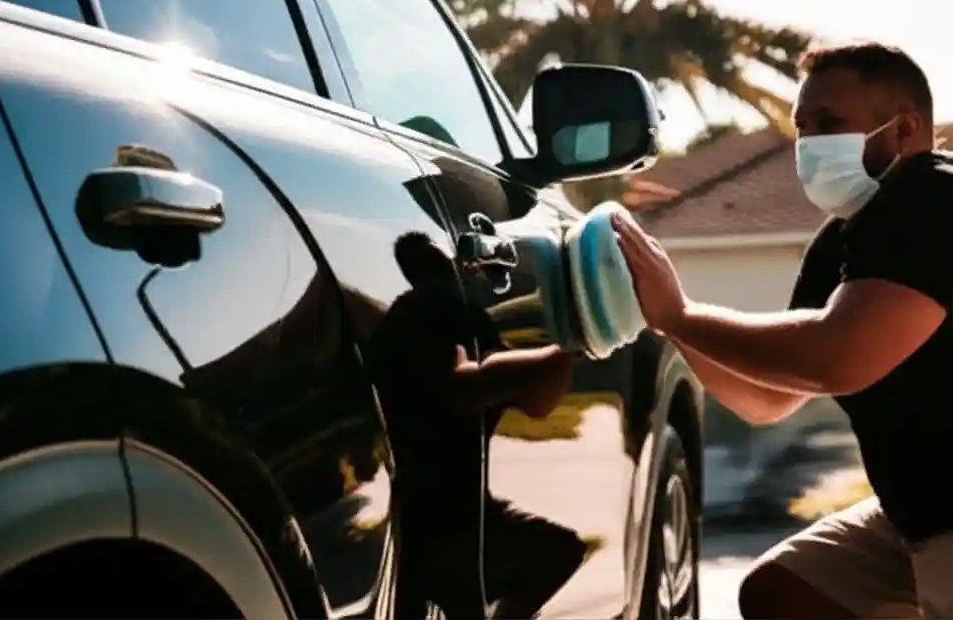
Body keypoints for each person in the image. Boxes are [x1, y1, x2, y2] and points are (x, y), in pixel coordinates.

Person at [612, 42, 953, 619]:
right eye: (802, 128)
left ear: (903, 130)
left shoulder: (931, 196)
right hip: (916, 514)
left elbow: (838, 358)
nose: (810, 145)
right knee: (788, 591)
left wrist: (682, 315)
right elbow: (769, 395)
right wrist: (666, 319)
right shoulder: (843, 237)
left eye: (831, 124)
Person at [364, 231, 589, 619]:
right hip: (447, 526)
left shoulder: (404, 316)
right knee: (554, 553)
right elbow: (488, 389)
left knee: (552, 552)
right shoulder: (444, 312)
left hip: (426, 516)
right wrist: (573, 338)